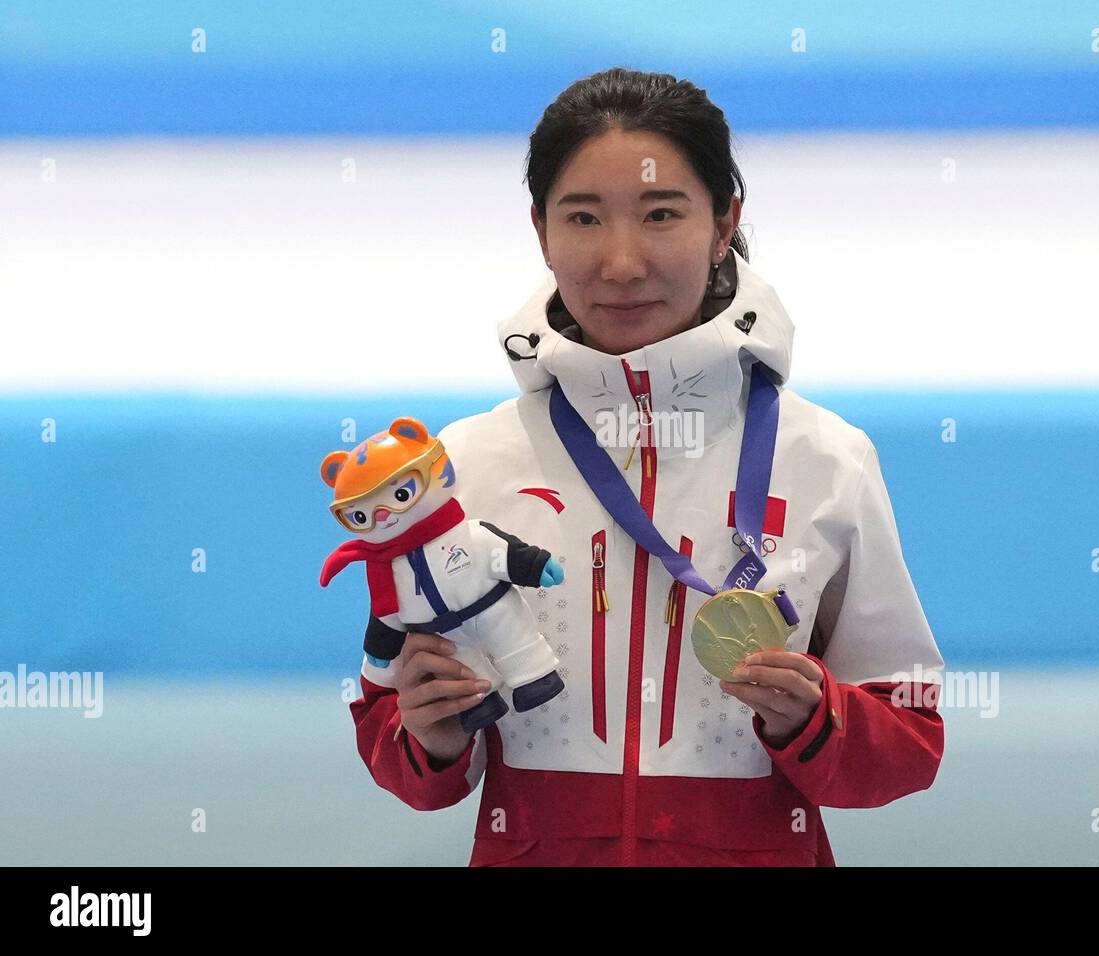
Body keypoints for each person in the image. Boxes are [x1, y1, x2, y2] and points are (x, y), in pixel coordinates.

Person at [349, 67, 945, 866]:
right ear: (539, 229)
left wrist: (814, 717)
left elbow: (908, 735)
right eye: (584, 218)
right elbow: (395, 743)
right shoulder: (464, 467)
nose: (622, 262)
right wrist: (429, 731)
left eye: (661, 214)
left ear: (724, 221)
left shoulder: (824, 459)